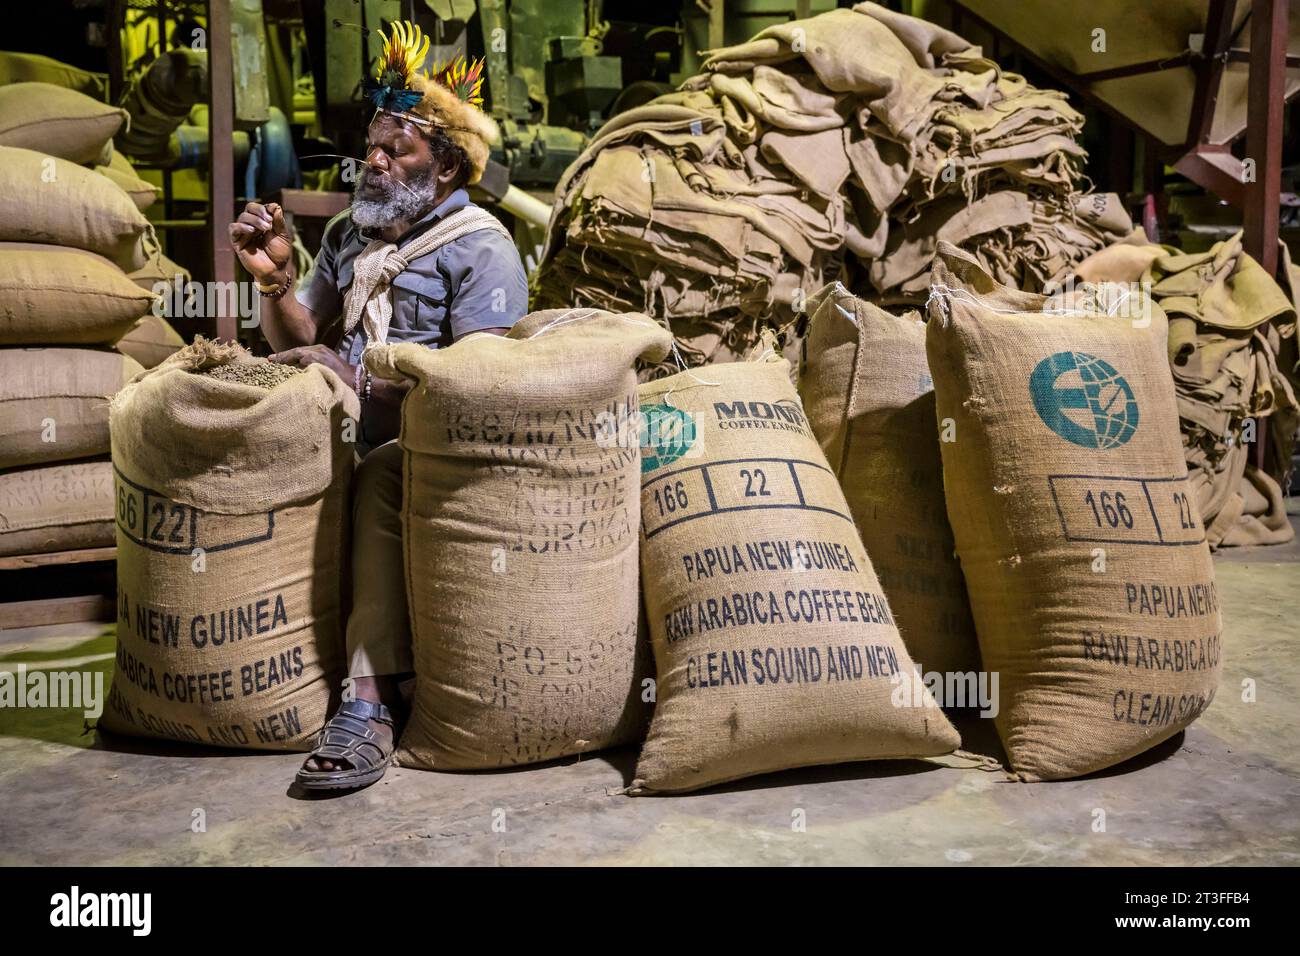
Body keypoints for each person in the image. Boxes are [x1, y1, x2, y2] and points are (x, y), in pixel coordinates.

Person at [227, 21, 527, 791]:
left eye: (399, 150)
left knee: (379, 482)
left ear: (449, 166)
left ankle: (368, 702)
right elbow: (300, 331)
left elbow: (477, 390)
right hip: (349, 417)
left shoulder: (480, 246)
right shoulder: (345, 233)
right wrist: (273, 282)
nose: (375, 160)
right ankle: (249, 670)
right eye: (374, 143)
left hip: (427, 444)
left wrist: (356, 382)